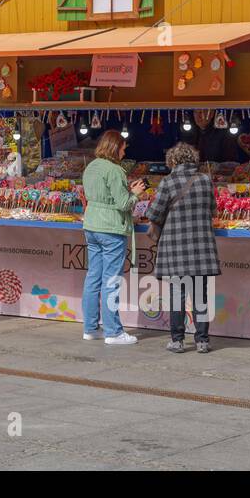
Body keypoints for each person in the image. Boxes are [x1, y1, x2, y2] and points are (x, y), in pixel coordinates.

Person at [146, 142, 219, 353]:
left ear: (173, 161)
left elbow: (154, 213)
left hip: (176, 248)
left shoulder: (168, 182)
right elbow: (213, 210)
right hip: (201, 248)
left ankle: (177, 341)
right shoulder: (205, 180)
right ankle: (202, 341)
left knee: (177, 295)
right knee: (201, 296)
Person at [81, 130, 145, 346]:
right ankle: (114, 332)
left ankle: (90, 328)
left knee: (93, 278)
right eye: (123, 147)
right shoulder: (115, 170)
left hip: (92, 225)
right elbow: (124, 204)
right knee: (111, 281)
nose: (124, 151)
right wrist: (135, 193)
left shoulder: (91, 167)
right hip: (111, 228)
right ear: (115, 147)